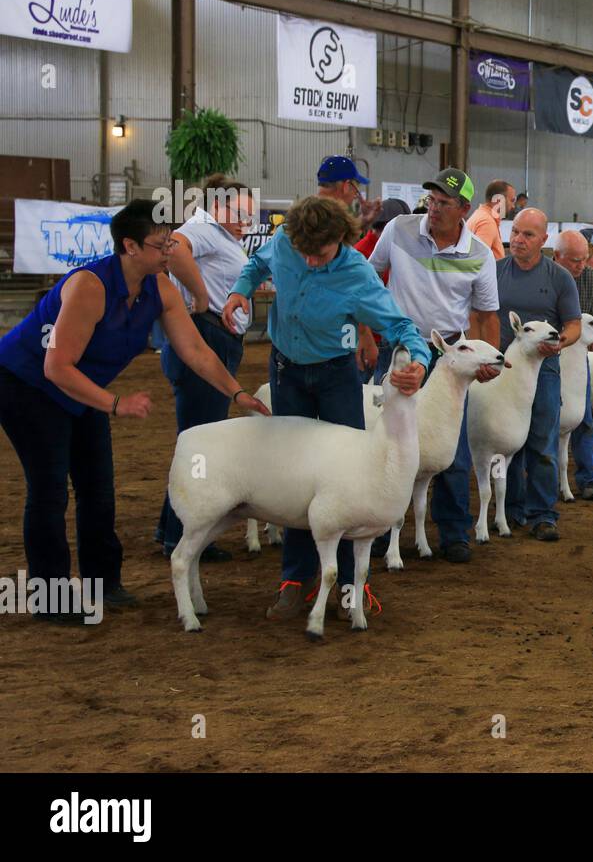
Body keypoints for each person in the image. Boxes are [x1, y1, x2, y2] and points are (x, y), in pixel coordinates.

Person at [0, 199, 270, 623]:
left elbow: (196, 350)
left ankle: (104, 581)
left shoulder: (159, 288)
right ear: (129, 246)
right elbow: (56, 367)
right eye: (161, 245)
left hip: (81, 389)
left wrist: (237, 394)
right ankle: (48, 596)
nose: (169, 252)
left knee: (98, 487)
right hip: (27, 385)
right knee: (50, 489)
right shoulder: (90, 287)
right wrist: (115, 404)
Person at [224, 197, 432, 620]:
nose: (309, 261)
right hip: (286, 371)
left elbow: (401, 327)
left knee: (351, 476)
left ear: (342, 238)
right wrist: (239, 292)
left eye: (318, 254)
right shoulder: (284, 241)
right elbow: (255, 266)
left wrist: (419, 363)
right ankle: (295, 579)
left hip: (337, 375)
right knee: (293, 475)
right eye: (302, 252)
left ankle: (353, 587)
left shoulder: (357, 272)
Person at [365, 168, 500, 563]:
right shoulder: (399, 229)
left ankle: (454, 531)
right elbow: (370, 276)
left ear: (463, 209)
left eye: (444, 203)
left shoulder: (477, 254)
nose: (434, 208)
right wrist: (362, 332)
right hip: (400, 346)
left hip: (449, 353)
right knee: (386, 438)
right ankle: (373, 527)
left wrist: (487, 359)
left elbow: (488, 315)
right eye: (432, 200)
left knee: (450, 445)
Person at [154, 174, 257, 563]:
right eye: (240, 209)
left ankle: (171, 528)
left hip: (215, 336)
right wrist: (199, 294)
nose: (246, 216)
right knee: (200, 441)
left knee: (195, 438)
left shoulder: (222, 236)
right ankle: (183, 536)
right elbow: (175, 249)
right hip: (206, 336)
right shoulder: (205, 229)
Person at [496, 209, 581, 537]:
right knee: (506, 442)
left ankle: (543, 513)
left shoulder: (559, 277)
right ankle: (510, 508)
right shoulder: (496, 270)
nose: (518, 239)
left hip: (544, 370)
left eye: (527, 235)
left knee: (542, 440)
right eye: (515, 231)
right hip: (505, 371)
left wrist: (560, 342)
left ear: (544, 240)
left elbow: (573, 324)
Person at [316, 155, 383, 376]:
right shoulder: (326, 221)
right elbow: (344, 279)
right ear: (346, 185)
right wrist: (363, 333)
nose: (357, 193)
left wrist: (362, 221)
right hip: (330, 334)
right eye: (356, 187)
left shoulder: (310, 217)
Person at [555, 230, 593, 502]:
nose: (581, 265)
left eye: (585, 259)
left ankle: (587, 478)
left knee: (584, 417)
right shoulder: (547, 278)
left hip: (577, 360)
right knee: (545, 419)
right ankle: (546, 480)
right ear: (557, 257)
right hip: (547, 358)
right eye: (575, 260)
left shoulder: (592, 280)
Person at [352, 197, 410, 384]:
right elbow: (356, 296)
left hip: (389, 336)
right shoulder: (361, 251)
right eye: (379, 228)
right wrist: (365, 336)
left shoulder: (402, 246)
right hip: (368, 337)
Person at [464, 178, 513, 260]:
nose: (513, 206)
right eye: (512, 200)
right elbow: (477, 260)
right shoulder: (487, 222)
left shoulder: (480, 216)